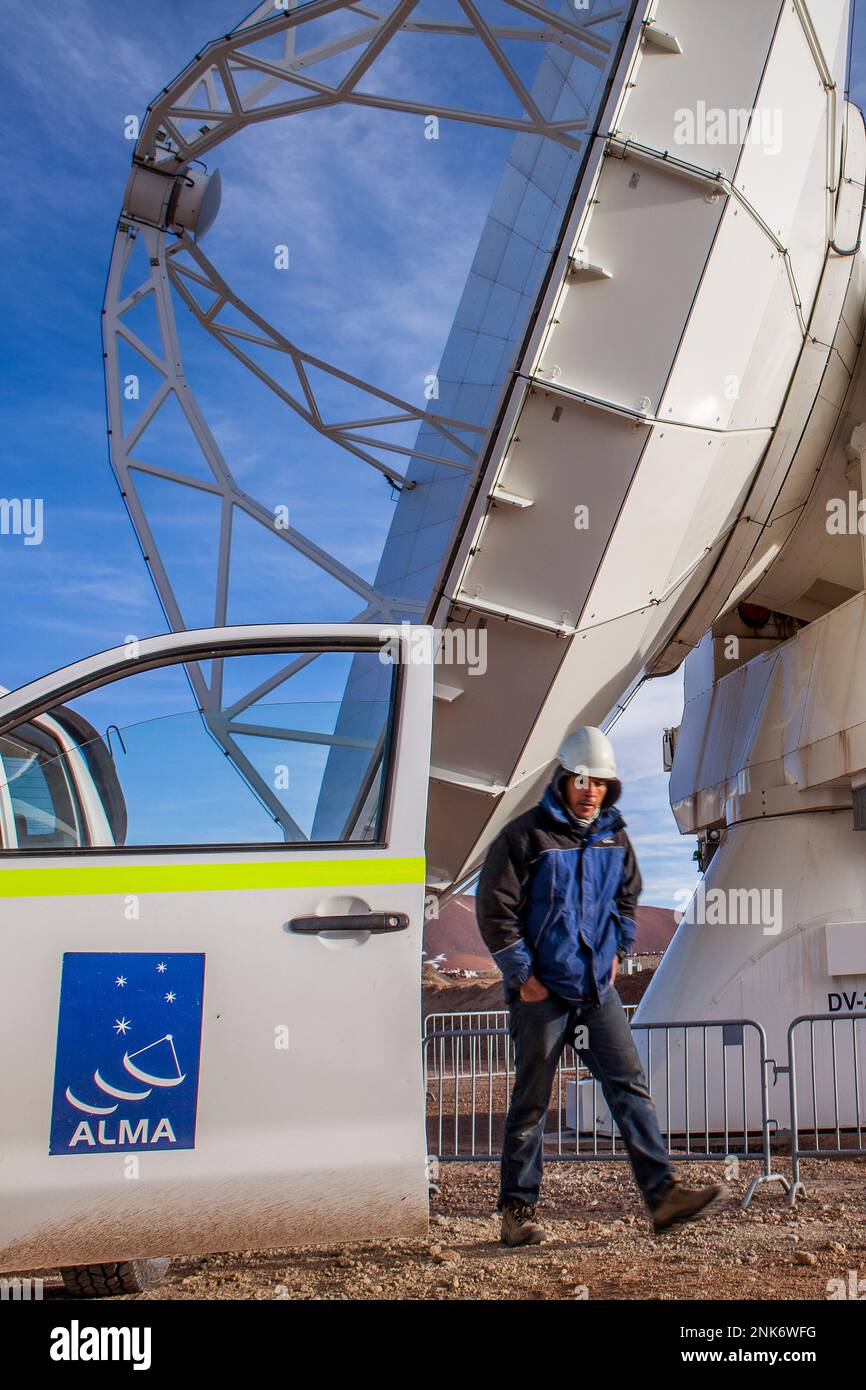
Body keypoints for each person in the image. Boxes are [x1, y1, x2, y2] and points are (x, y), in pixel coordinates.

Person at [475, 726, 730, 1246]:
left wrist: (618, 949)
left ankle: (663, 1198)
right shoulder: (526, 837)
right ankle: (516, 1213)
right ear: (566, 778)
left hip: (596, 995)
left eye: (600, 782)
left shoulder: (614, 835)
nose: (591, 790)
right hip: (542, 997)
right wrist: (523, 976)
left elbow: (628, 895)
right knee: (531, 1103)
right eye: (583, 779)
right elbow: (494, 909)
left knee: (631, 1091)